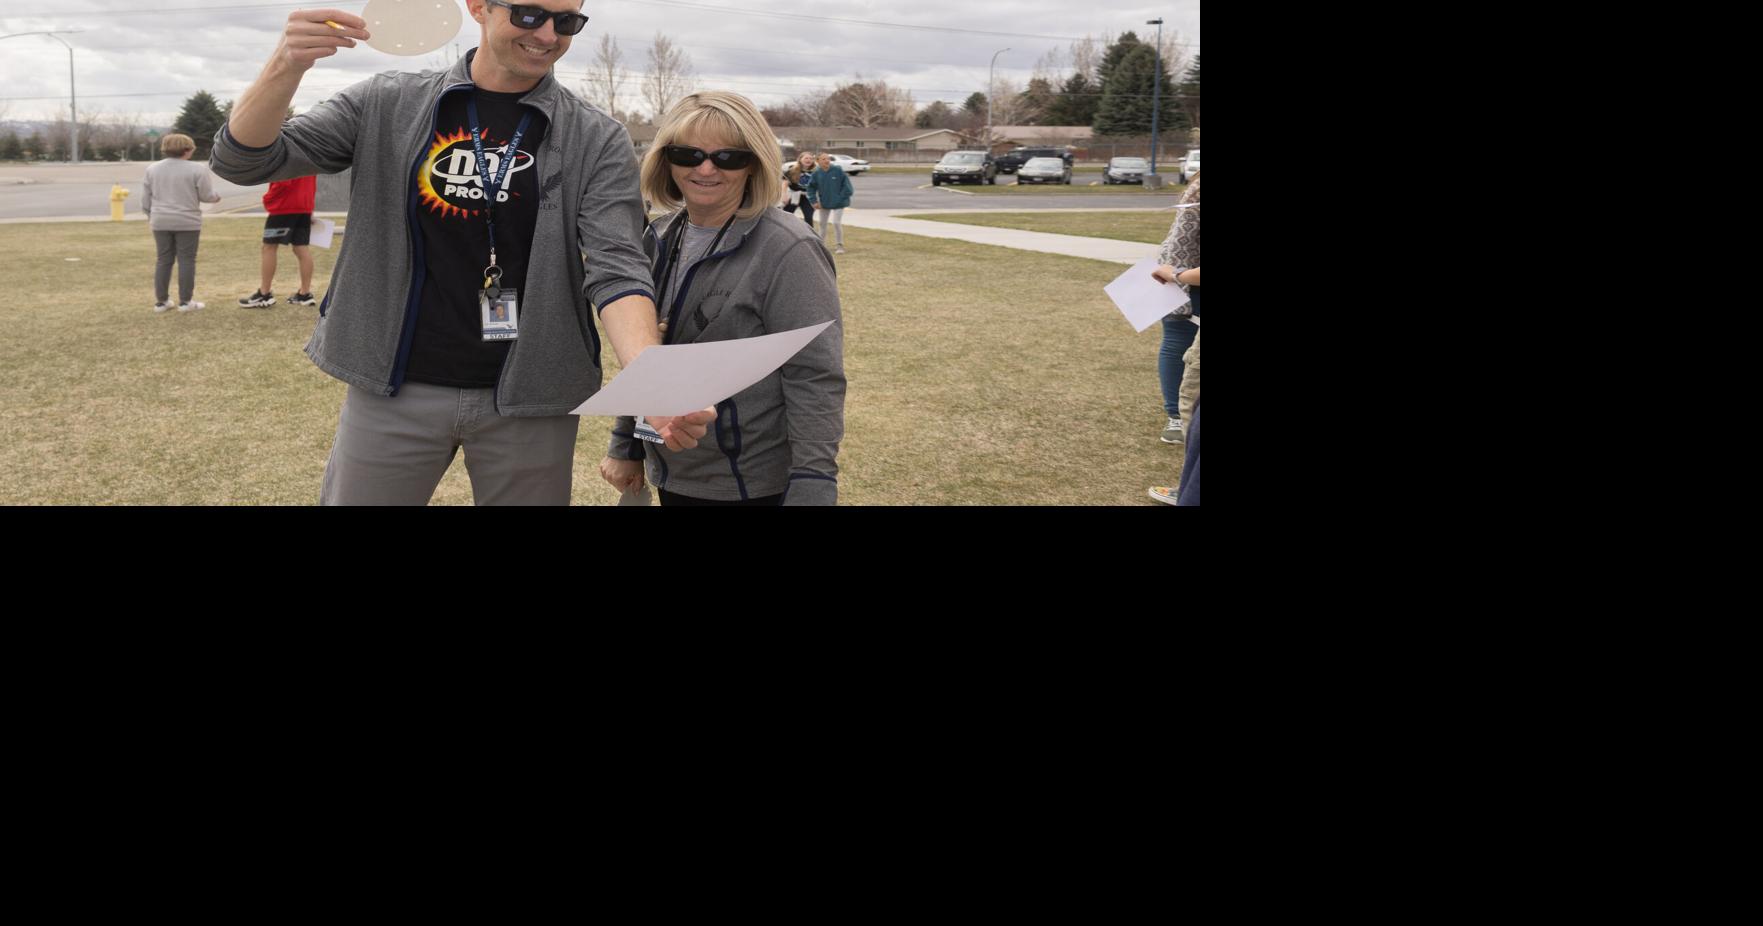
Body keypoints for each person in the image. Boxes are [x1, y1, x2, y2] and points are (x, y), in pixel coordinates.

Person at [209, 1, 711, 505]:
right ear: (478, 7)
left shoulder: (596, 137)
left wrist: (651, 380)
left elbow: (617, 267)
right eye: (530, 15)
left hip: (532, 395)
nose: (548, 35)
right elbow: (243, 161)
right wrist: (287, 63)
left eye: (567, 21)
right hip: (393, 387)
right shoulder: (387, 102)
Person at [599, 90, 845, 506]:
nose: (706, 169)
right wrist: (627, 441)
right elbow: (648, 358)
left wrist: (813, 480)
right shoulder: (658, 238)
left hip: (753, 483)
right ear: (665, 159)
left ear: (754, 164)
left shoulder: (789, 248)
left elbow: (814, 375)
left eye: (728, 157)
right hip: (675, 471)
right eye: (688, 155)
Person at [142, 132, 221, 313]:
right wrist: (216, 198)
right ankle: (185, 301)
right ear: (187, 150)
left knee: (163, 259)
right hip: (187, 220)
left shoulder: (152, 169)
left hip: (160, 219)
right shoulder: (197, 169)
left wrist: (151, 215)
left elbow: (145, 200)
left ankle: (161, 302)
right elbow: (206, 195)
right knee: (186, 260)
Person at [1152, 172, 1200, 443]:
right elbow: (1180, 240)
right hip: (1185, 279)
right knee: (1178, 342)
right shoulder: (1199, 189)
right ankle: (1176, 417)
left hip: (1186, 275)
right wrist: (1177, 281)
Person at [239, 175, 319, 308]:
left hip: (284, 205)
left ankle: (264, 294)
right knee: (301, 248)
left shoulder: (289, 152)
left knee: (269, 247)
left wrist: (269, 198)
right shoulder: (311, 152)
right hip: (304, 204)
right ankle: (305, 294)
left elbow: (283, 179)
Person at [806, 152, 852, 254]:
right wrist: (814, 201)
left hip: (839, 203)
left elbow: (848, 187)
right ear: (817, 161)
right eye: (823, 159)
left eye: (828, 158)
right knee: (822, 224)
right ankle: (821, 247)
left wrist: (840, 198)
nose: (827, 161)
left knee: (836, 223)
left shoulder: (838, 170)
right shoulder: (816, 173)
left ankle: (840, 246)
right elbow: (810, 189)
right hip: (824, 203)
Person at [784, 151, 817, 229]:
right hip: (794, 195)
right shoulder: (792, 169)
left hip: (807, 197)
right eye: (806, 158)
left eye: (811, 158)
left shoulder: (816, 171)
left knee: (809, 217)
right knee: (786, 216)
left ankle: (810, 237)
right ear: (800, 159)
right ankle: (783, 232)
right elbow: (784, 182)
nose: (808, 160)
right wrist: (784, 195)